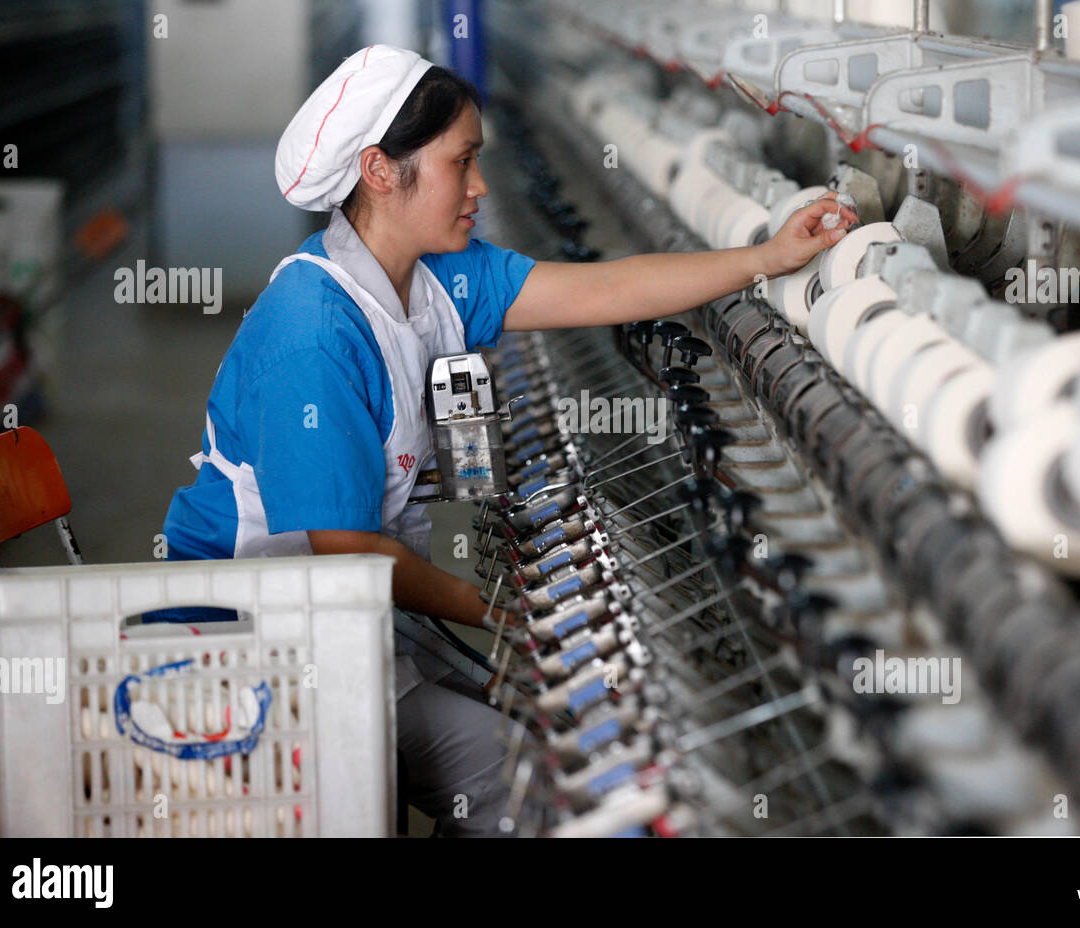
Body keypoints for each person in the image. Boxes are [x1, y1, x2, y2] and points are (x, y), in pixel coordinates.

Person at [159, 45, 856, 836]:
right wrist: (503, 608)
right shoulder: (312, 336)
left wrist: (768, 256)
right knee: (519, 775)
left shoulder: (434, 278)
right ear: (381, 172)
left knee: (519, 746)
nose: (481, 187)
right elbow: (345, 549)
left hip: (347, 620)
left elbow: (608, 289)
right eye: (463, 163)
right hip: (255, 647)